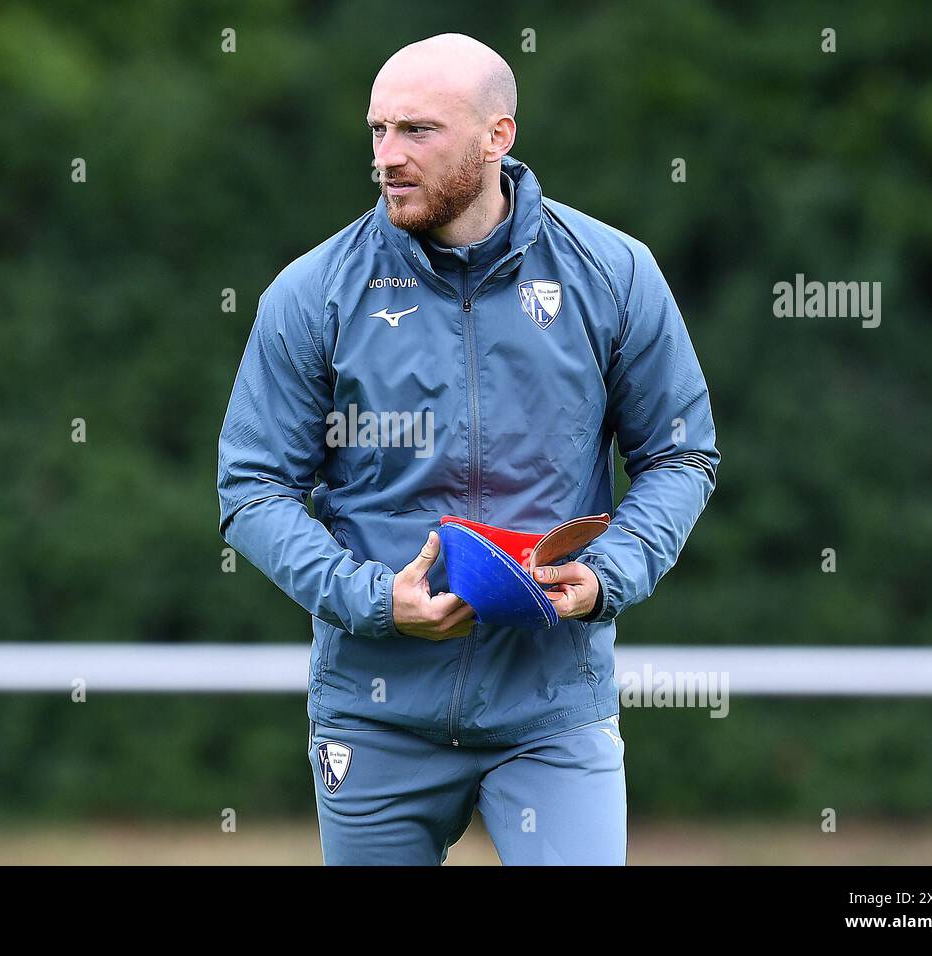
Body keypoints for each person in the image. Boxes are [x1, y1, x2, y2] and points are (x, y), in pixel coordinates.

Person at [217, 33, 719, 865]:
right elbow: (252, 487)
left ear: (498, 136)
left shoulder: (615, 273)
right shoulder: (312, 294)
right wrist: (372, 598)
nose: (387, 157)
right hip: (375, 714)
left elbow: (681, 455)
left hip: (552, 708)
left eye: (418, 131)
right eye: (377, 131)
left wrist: (607, 579)